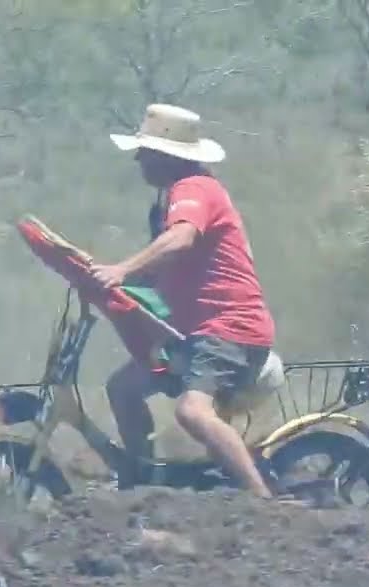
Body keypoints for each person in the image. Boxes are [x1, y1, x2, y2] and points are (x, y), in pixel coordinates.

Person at [89, 104, 277, 499]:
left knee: (192, 411)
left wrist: (120, 271)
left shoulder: (194, 189)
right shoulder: (169, 200)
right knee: (123, 388)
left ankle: (262, 501)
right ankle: (140, 483)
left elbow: (181, 240)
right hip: (195, 335)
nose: (139, 159)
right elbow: (160, 268)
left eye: (146, 151)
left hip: (227, 332)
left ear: (168, 156)